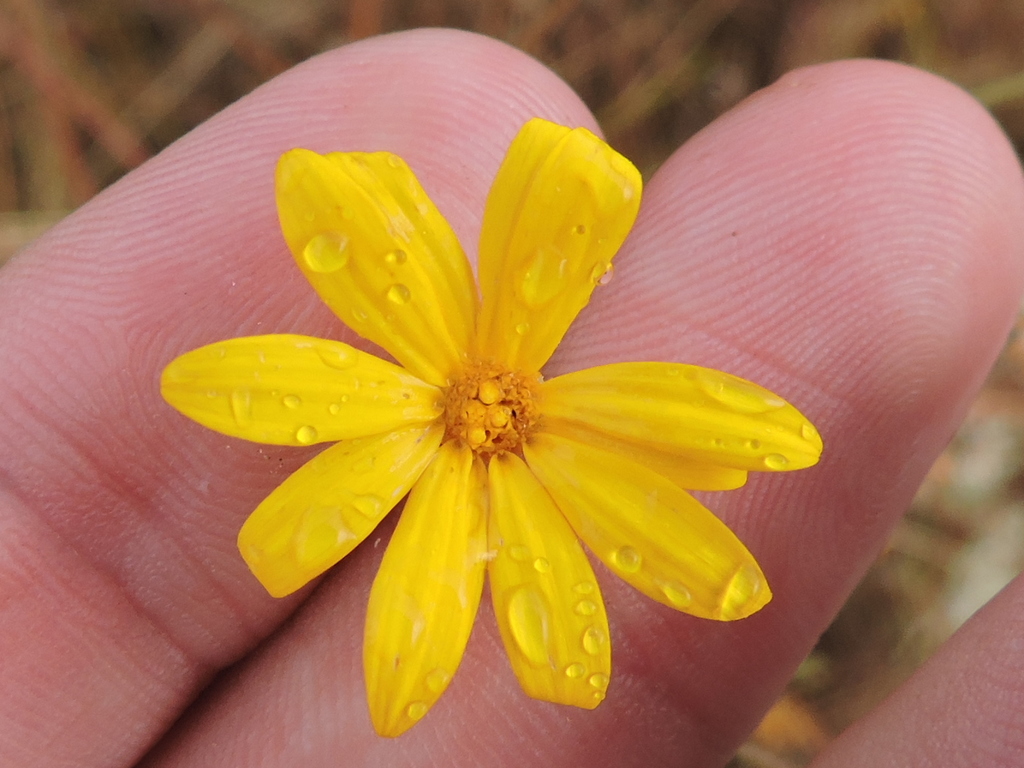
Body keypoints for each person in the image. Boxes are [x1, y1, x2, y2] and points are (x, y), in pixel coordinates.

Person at [0, 28, 1022, 768]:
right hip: (416, 393)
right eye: (492, 408)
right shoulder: (453, 389)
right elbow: (277, 484)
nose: (493, 413)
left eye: (500, 408)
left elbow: (680, 564)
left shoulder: (511, 417)